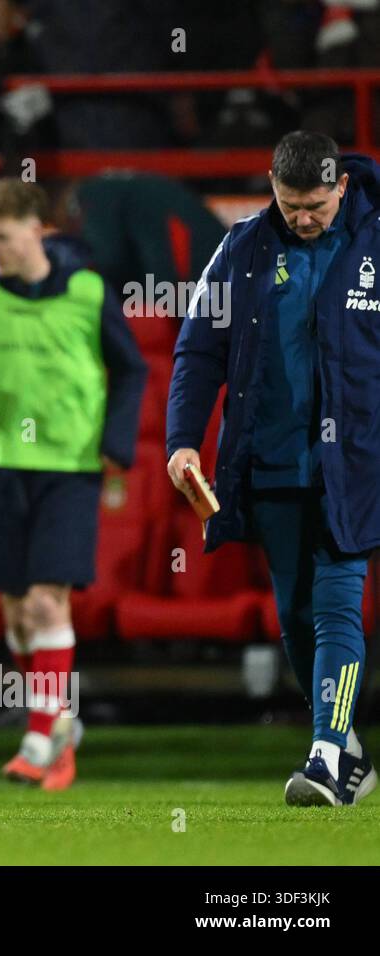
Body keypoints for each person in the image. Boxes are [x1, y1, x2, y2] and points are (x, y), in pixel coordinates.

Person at [167, 131, 380, 807]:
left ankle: (323, 759)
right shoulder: (244, 247)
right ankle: (347, 751)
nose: (303, 217)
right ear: (272, 185)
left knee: (339, 601)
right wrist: (183, 440)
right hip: (272, 458)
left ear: (341, 187)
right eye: (291, 204)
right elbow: (198, 351)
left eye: (315, 205)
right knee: (295, 614)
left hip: (355, 462)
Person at [0, 177, 146, 790]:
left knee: (48, 600)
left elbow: (131, 369)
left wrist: (117, 445)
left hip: (67, 467)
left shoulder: (89, 293)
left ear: (38, 232)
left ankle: (41, 735)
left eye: (4, 238)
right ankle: (60, 715)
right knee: (16, 615)